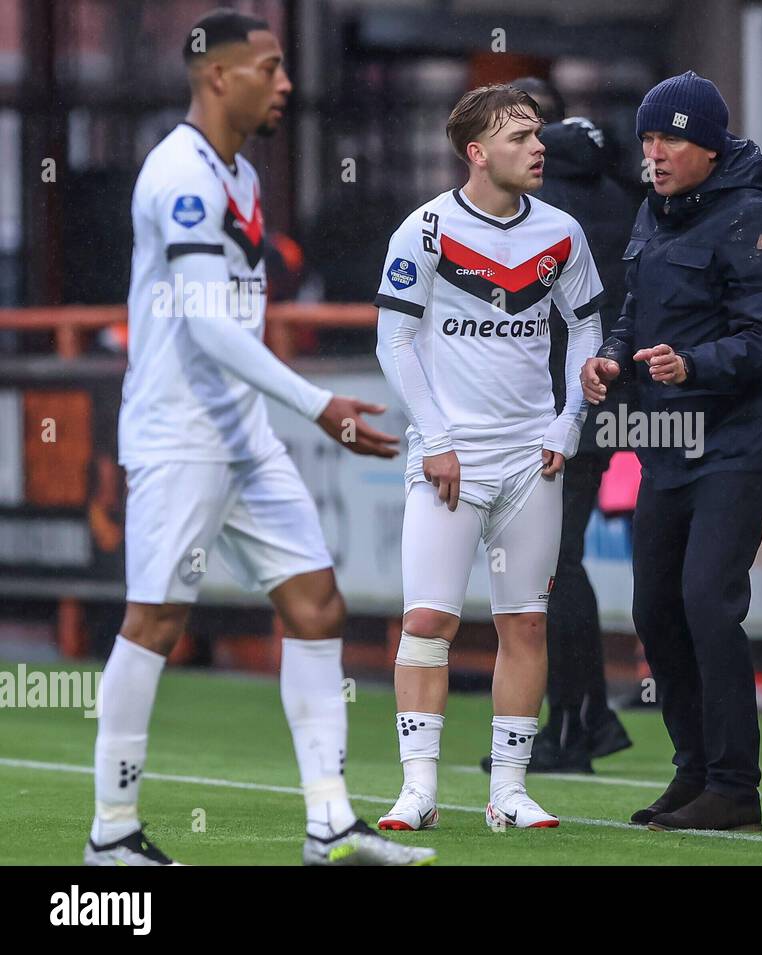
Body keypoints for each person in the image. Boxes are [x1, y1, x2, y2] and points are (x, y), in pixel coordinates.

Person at [87, 9, 433, 866]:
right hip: (180, 433)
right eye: (270, 68)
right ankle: (112, 833)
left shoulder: (238, 171)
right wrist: (320, 404)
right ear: (217, 75)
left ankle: (328, 823)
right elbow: (206, 329)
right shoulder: (183, 176)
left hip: (240, 434)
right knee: (156, 620)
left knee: (316, 603)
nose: (285, 84)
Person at [373, 85, 603, 831]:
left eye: (538, 134)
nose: (538, 148)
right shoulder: (427, 230)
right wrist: (436, 439)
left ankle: (509, 790)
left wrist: (568, 423)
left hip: (531, 456)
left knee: (526, 624)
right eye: (519, 137)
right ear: (476, 153)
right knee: (428, 618)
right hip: (452, 460)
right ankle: (418, 790)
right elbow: (395, 341)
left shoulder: (563, 232)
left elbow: (587, 331)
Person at [582, 71, 762, 831]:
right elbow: (633, 310)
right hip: (667, 436)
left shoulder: (755, 219)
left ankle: (736, 785)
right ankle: (694, 769)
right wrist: (612, 357)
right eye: (646, 138)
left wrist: (693, 364)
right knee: (654, 606)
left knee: (709, 599)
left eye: (670, 137)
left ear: (709, 144)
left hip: (739, 439)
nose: (655, 152)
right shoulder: (656, 210)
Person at [463, 75, 637, 773]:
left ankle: (577, 724)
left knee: (548, 565)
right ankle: (580, 719)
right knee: (557, 562)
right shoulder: (622, 188)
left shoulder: (530, 208)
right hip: (608, 398)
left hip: (547, 407)